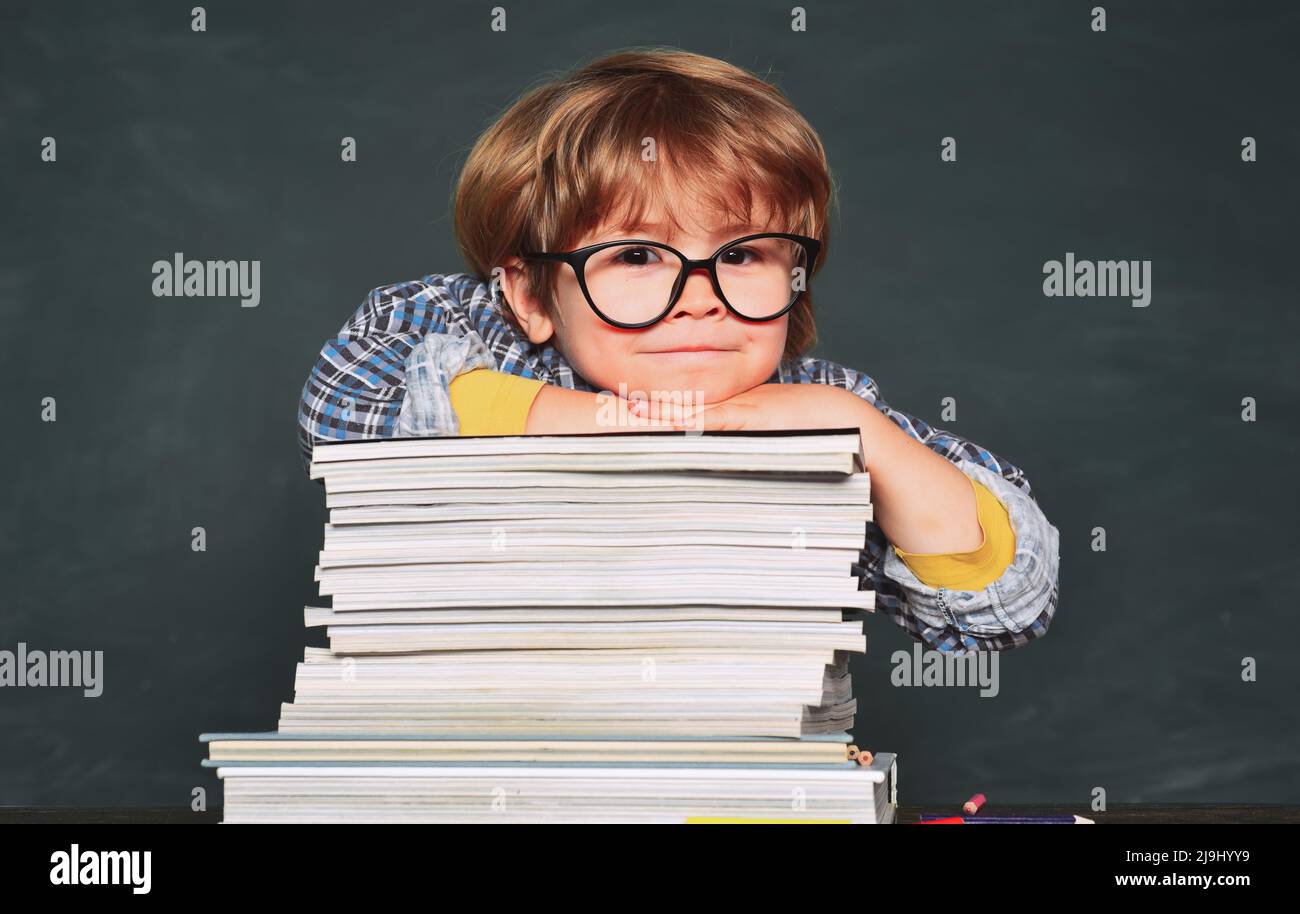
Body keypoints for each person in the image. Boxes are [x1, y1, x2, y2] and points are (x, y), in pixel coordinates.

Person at [298, 48, 1059, 654]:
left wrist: (860, 430)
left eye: (743, 256)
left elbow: (1003, 606)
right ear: (531, 297)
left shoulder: (809, 406)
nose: (701, 295)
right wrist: (617, 421)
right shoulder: (475, 338)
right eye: (636, 257)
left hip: (723, 758)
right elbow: (342, 405)